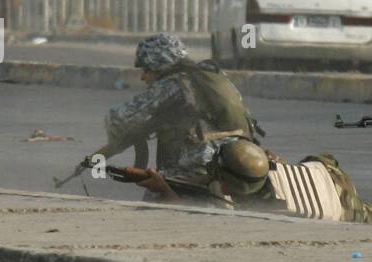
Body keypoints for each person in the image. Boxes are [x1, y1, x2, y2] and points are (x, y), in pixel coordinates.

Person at [125, 136, 372, 225]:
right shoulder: (265, 168)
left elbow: (211, 217)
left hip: (338, 208)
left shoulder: (260, 211)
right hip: (329, 173)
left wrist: (165, 190)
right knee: (369, 210)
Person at [86, 33, 262, 185]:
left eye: (146, 69)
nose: (143, 77)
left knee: (154, 196)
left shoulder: (172, 83)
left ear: (158, 64)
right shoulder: (213, 75)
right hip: (241, 158)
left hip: (198, 163)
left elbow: (119, 119)